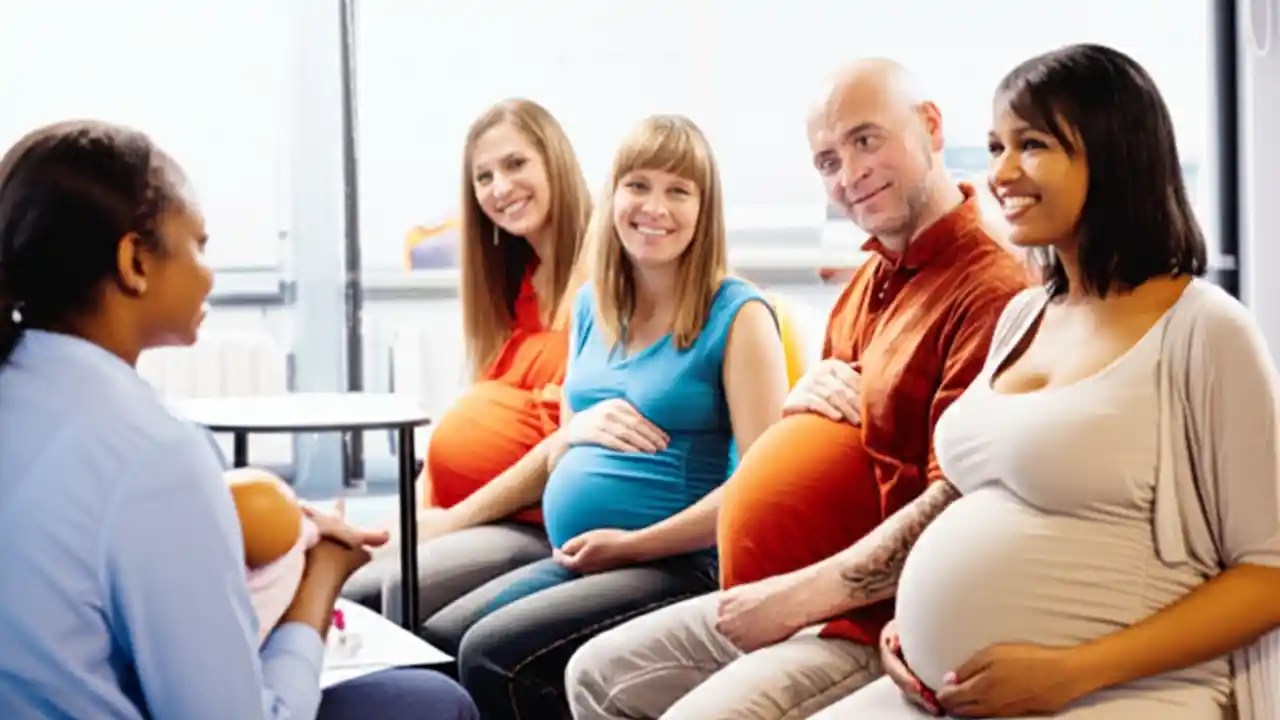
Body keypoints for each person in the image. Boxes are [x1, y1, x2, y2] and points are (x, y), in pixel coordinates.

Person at [817, 43, 1280, 720]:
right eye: (995, 146)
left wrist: (1072, 672)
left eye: (1030, 145)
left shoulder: (1206, 330)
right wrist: (911, 632)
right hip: (938, 688)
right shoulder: (1024, 315)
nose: (1000, 172)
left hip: (1117, 693)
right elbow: (980, 495)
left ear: (1114, 151)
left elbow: (1269, 575)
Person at [566, 59, 1030, 719]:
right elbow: (830, 441)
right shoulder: (869, 282)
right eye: (827, 161)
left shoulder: (989, 293)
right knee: (592, 674)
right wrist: (800, 403)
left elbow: (953, 512)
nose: (849, 173)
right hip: (784, 589)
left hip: (864, 618)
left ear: (929, 126)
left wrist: (793, 601)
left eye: (866, 141)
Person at [0, 120, 477, 720]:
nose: (208, 273)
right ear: (134, 262)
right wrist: (319, 582)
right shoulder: (154, 452)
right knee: (435, 704)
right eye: (199, 244)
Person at [420, 113, 789, 719]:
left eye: (679, 190)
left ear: (705, 209)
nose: (655, 207)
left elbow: (761, 489)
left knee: (491, 654)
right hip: (585, 555)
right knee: (440, 639)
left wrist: (633, 546)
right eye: (638, 185)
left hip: (680, 563)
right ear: (612, 194)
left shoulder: (739, 315)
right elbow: (569, 437)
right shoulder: (593, 305)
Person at [344, 97, 594, 627]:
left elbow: (565, 442)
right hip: (465, 511)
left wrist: (450, 522)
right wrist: (396, 524)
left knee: (375, 593)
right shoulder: (519, 283)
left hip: (527, 520)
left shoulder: (598, 273)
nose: (500, 187)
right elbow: (450, 453)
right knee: (338, 571)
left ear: (556, 162)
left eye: (516, 164)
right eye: (483, 177)